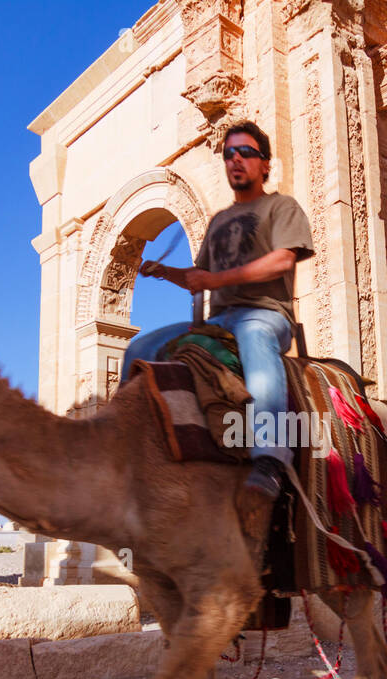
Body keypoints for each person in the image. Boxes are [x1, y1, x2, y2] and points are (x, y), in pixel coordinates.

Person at [123, 121, 314, 513]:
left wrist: (214, 279)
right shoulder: (217, 223)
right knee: (140, 347)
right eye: (228, 154)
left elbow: (282, 261)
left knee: (255, 337)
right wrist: (165, 273)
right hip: (218, 321)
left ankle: (270, 458)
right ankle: (127, 448)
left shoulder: (282, 207)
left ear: (265, 164)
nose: (235, 160)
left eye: (245, 153)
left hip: (265, 314)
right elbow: (199, 281)